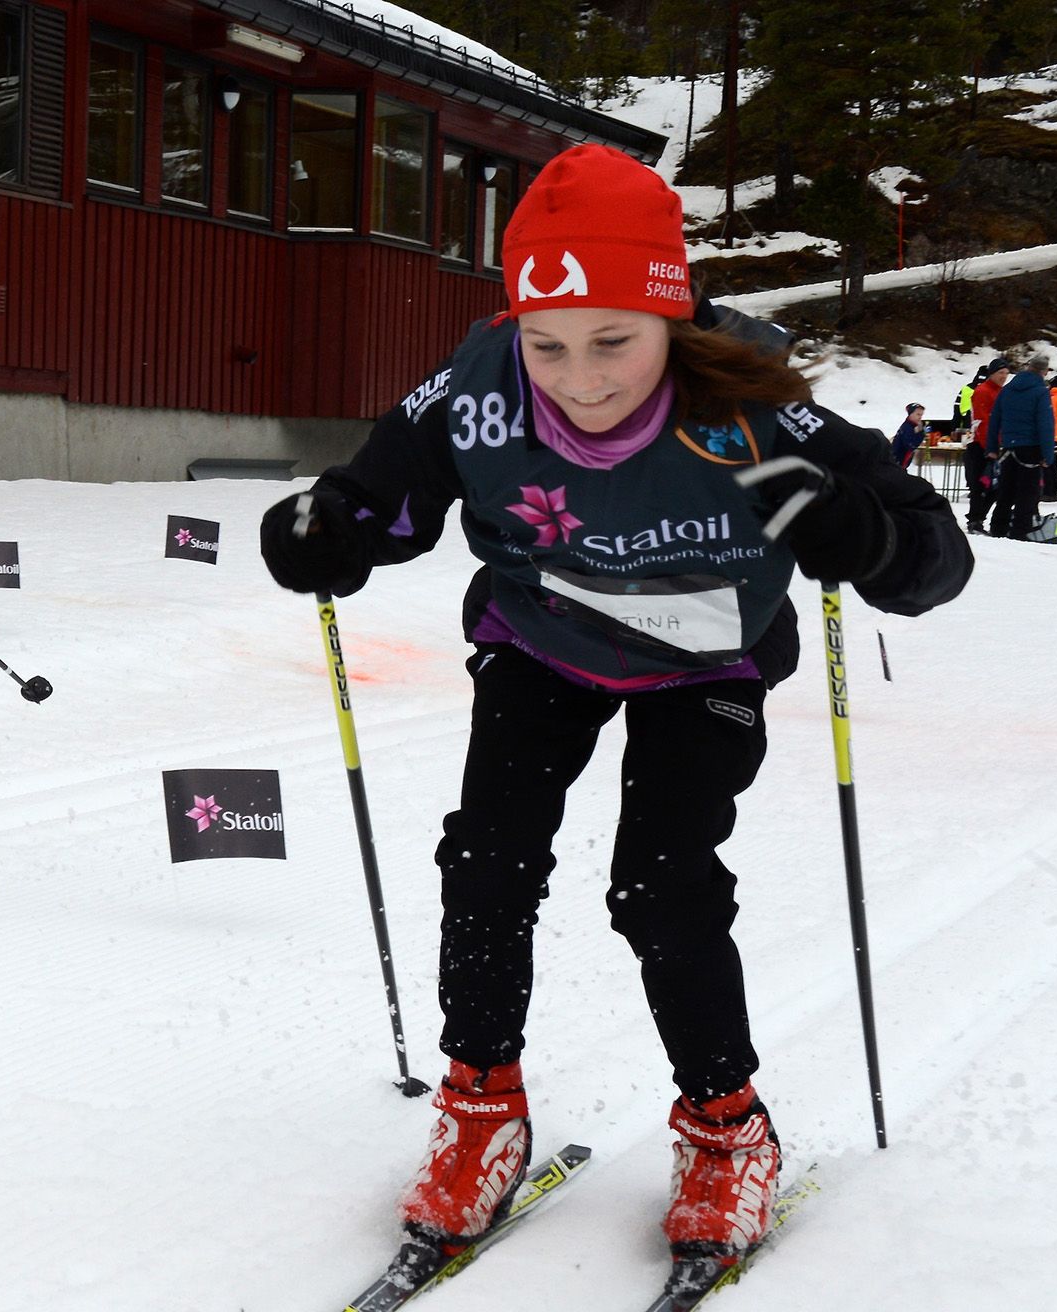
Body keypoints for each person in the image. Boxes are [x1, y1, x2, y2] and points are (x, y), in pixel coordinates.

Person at [259, 145, 971, 1284]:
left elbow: (930, 561)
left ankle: (725, 1125)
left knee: (659, 883)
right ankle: (481, 1101)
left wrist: (869, 537)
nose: (578, 376)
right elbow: (383, 495)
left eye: (611, 341)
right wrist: (328, 526)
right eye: (547, 342)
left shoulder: (741, 403)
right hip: (541, 643)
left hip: (706, 665)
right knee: (485, 860)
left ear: (670, 318)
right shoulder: (482, 385)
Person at [988, 353, 1057, 539]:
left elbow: (994, 419)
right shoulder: (1041, 392)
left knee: (1006, 491)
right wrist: (1048, 455)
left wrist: (992, 447)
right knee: (1028, 493)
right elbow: (1045, 425)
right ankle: (1020, 531)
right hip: (1031, 450)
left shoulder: (1008, 389)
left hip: (1008, 449)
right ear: (1043, 371)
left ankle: (998, 527)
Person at [968, 357, 1011, 534]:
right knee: (980, 485)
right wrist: (990, 446)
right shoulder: (983, 391)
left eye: (1006, 373)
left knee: (994, 485)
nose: (1004, 377)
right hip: (981, 444)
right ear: (992, 373)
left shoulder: (1001, 391)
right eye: (1001, 373)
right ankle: (975, 520)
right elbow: (983, 421)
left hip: (996, 443)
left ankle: (979, 517)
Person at [890, 403, 927, 469]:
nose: (920, 417)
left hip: (901, 461)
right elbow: (911, 445)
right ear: (910, 414)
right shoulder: (907, 427)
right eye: (918, 414)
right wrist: (921, 433)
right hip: (898, 461)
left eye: (921, 415)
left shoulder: (912, 426)